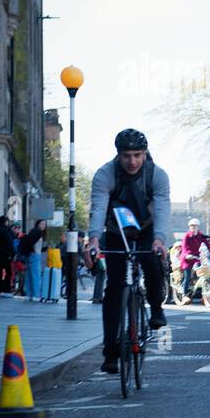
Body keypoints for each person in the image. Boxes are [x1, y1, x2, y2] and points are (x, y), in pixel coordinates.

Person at [86, 129, 172, 373]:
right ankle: (110, 352)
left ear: (145, 154)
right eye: (126, 156)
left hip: (147, 228)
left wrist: (159, 240)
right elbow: (99, 207)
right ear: (118, 155)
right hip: (116, 231)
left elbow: (163, 208)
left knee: (152, 262)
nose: (132, 161)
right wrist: (93, 239)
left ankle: (156, 307)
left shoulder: (157, 175)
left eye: (137, 155)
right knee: (114, 288)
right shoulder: (105, 174)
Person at [178, 219, 210, 305]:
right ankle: (184, 295)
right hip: (187, 258)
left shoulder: (200, 235)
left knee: (202, 270)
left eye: (195, 226)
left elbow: (207, 243)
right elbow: (184, 247)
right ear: (189, 227)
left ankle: (201, 290)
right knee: (187, 277)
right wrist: (187, 254)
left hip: (196, 256)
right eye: (192, 226)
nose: (193, 228)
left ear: (198, 227)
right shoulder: (186, 236)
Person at [17, 219, 46, 299]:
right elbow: (33, 244)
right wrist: (33, 250)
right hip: (35, 256)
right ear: (38, 224)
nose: (43, 226)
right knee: (36, 275)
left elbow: (32, 243)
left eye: (44, 224)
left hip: (30, 255)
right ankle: (36, 294)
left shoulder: (33, 231)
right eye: (42, 224)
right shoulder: (38, 232)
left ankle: (29, 294)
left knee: (29, 275)